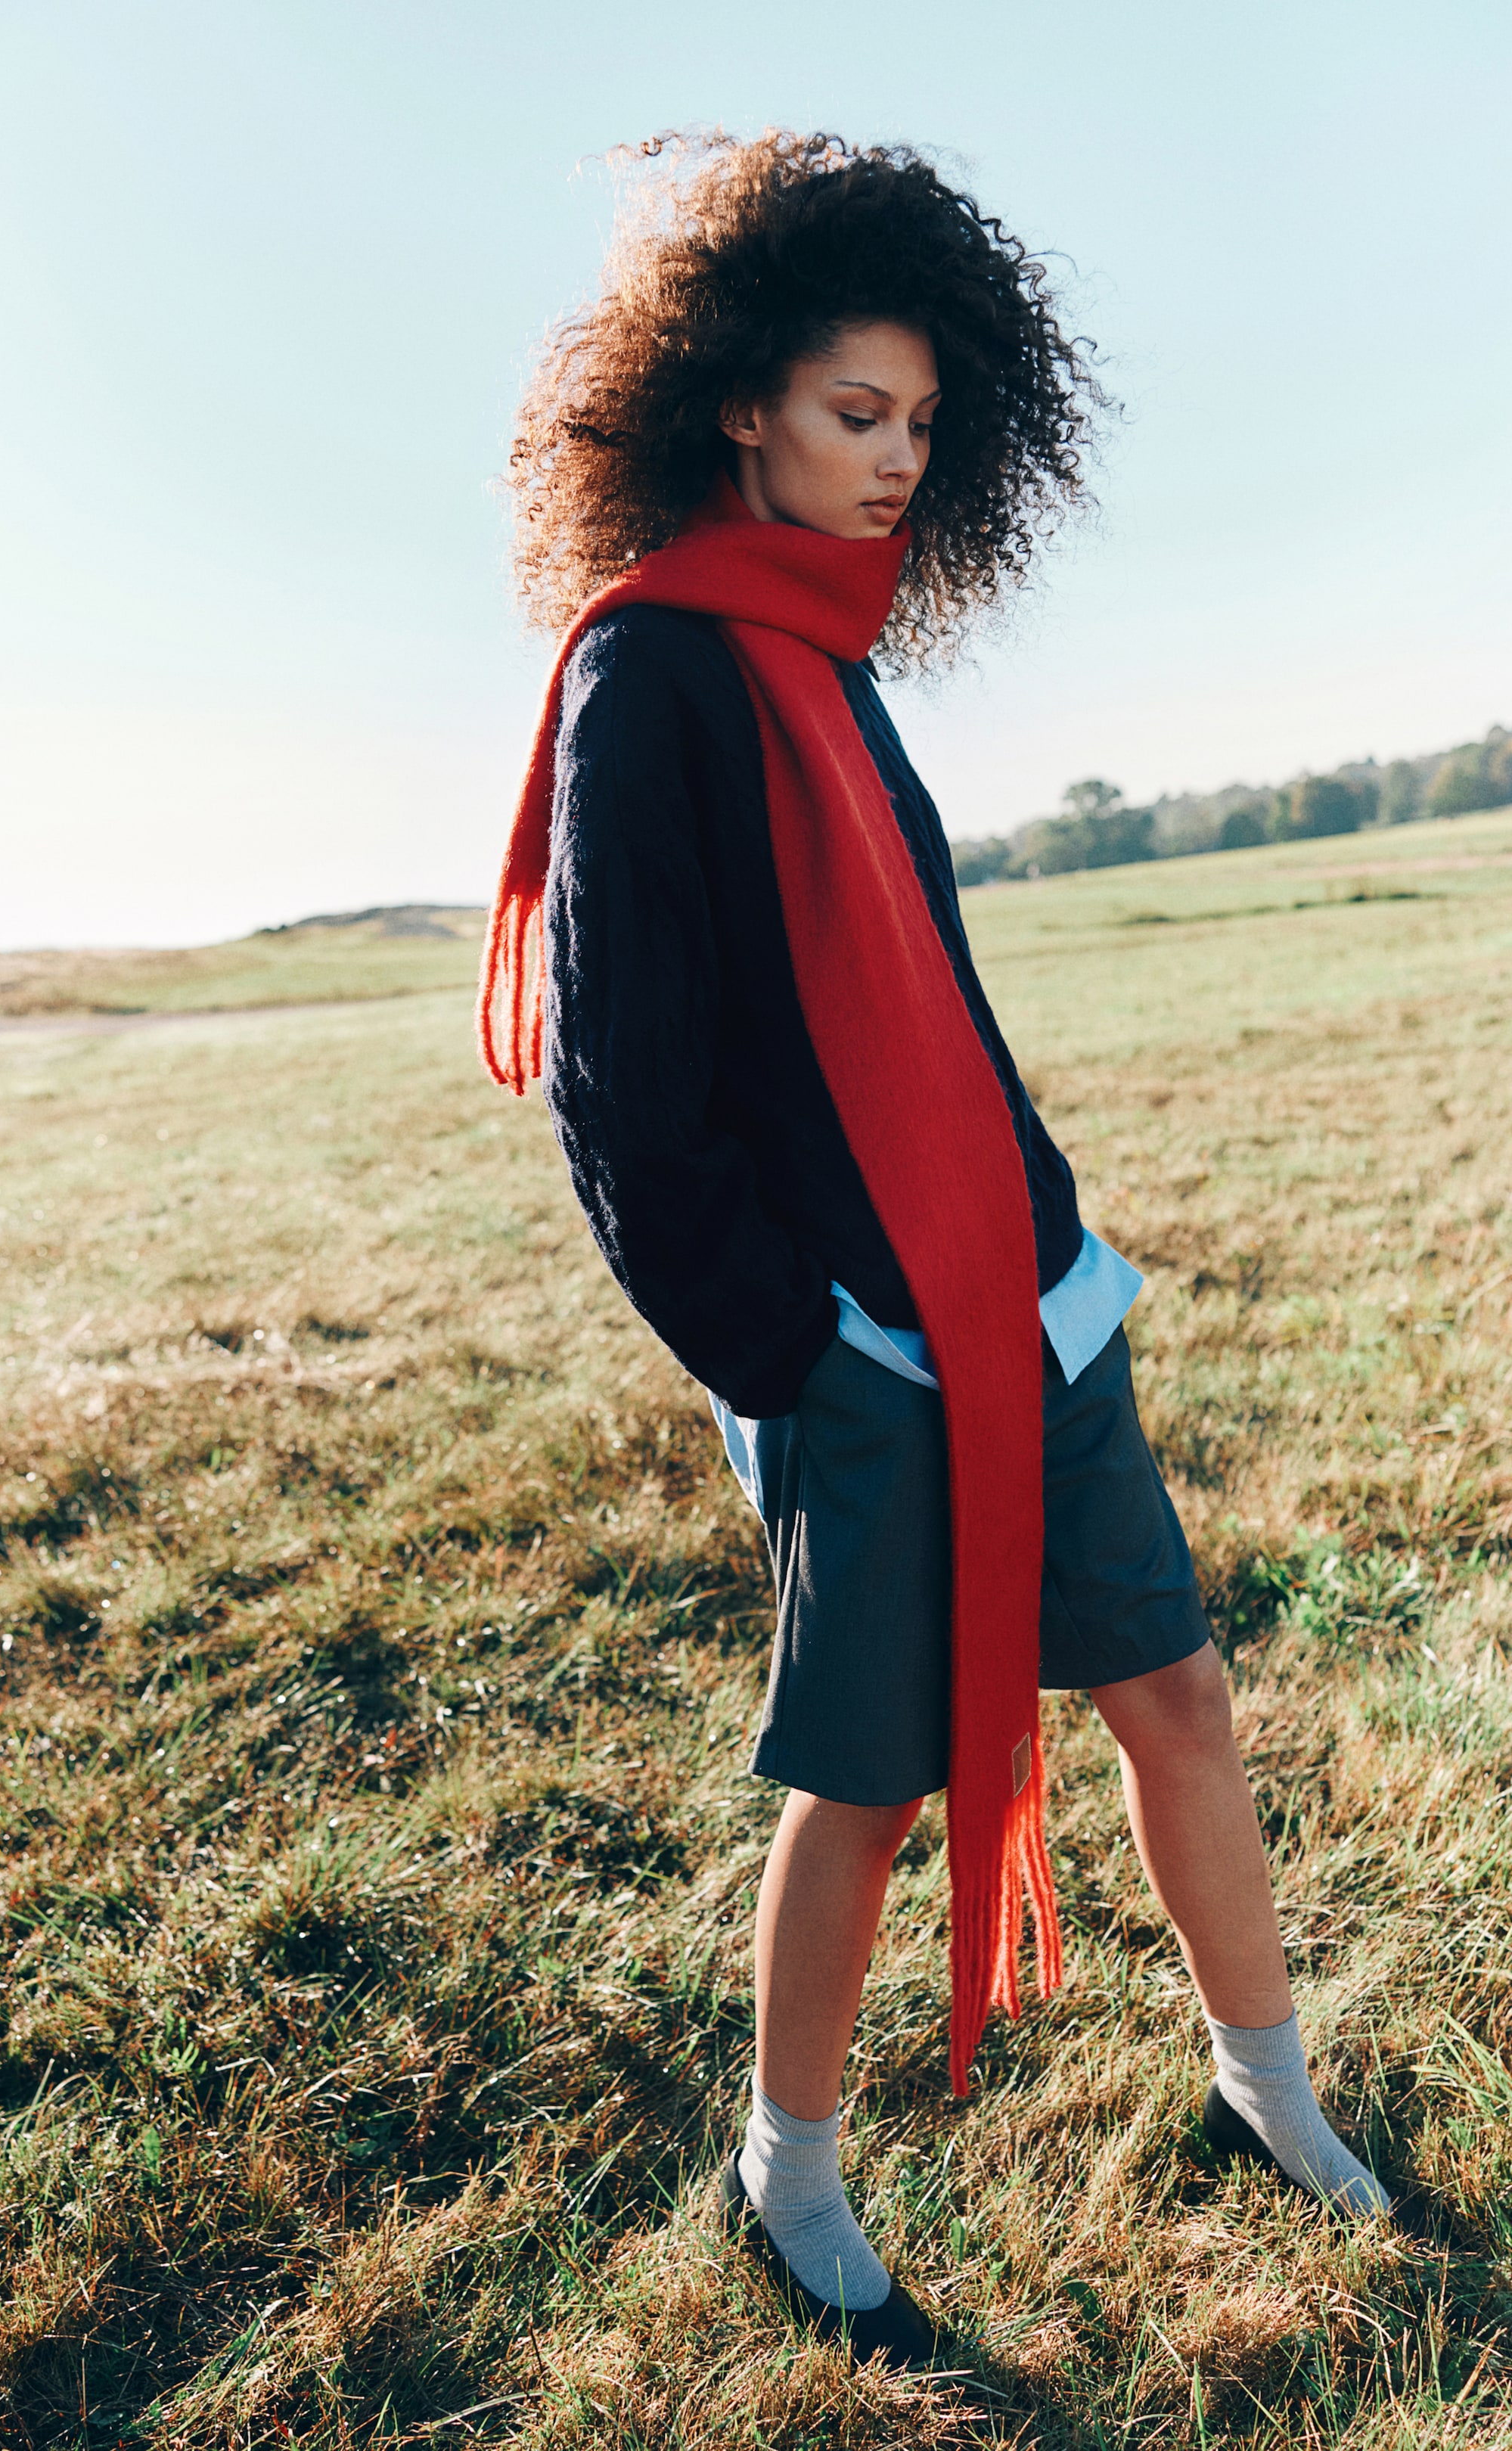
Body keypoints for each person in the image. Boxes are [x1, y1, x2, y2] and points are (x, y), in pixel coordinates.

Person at [477, 131, 1389, 2370]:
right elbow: (622, 1084)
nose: (898, 462)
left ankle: (1264, 2084)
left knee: (1180, 1693)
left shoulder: (832, 649)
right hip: (864, 1341)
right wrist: (794, 1351)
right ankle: (785, 2173)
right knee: (868, 1789)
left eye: (921, 423)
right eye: (854, 413)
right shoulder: (651, 676)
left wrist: (1032, 1239)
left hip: (1032, 1292)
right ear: (734, 403)